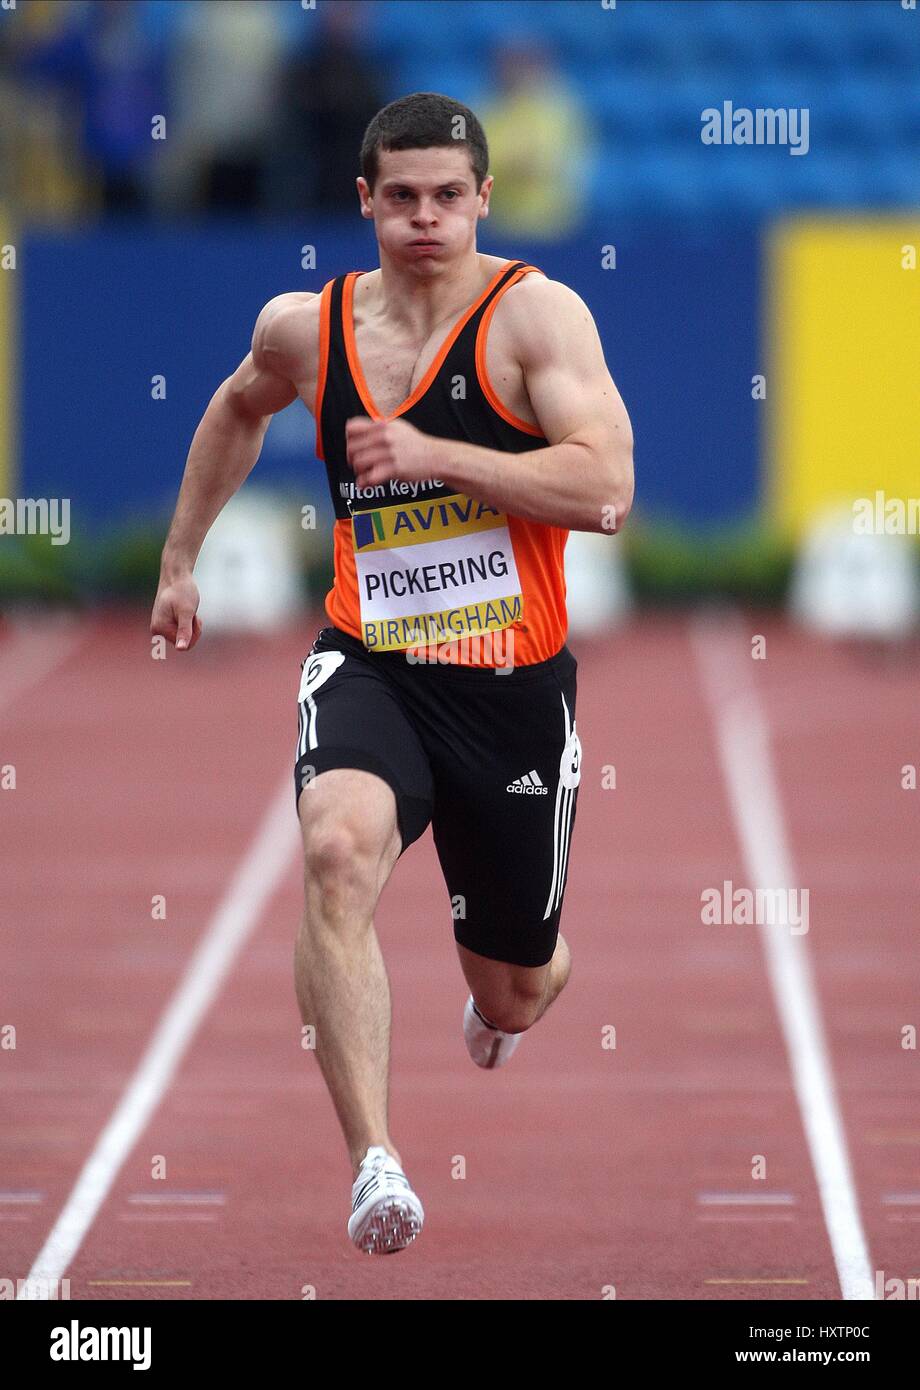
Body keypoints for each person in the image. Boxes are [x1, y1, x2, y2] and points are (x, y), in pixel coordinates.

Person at [150, 92, 634, 1256]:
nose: (426, 218)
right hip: (368, 656)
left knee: (518, 983)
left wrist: (435, 454)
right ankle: (375, 1162)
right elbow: (234, 408)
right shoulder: (306, 330)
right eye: (403, 196)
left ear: (482, 199)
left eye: (448, 197)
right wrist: (178, 560)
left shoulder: (534, 321)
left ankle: (506, 988)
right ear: (365, 200)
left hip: (507, 687)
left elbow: (606, 490)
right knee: (333, 853)